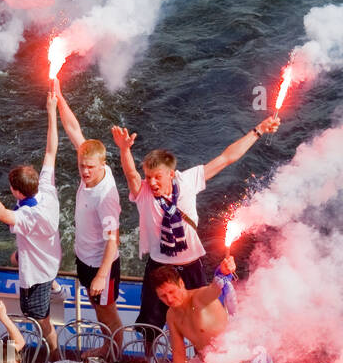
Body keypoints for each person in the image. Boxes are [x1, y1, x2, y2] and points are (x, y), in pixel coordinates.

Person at [113, 114, 281, 330]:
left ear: (171, 174)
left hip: (190, 265)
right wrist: (124, 149)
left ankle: (199, 357)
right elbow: (130, 174)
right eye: (148, 177)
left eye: (157, 177)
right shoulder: (143, 193)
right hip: (159, 265)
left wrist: (258, 130)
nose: (152, 182)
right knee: (150, 321)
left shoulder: (187, 181)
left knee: (201, 318)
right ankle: (149, 359)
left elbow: (226, 157)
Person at [0, 91, 62, 358]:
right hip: (47, 257)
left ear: (17, 192)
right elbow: (51, 150)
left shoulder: (28, 216)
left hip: (37, 274)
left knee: (39, 318)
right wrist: (51, 109)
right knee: (38, 311)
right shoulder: (47, 190)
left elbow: (1, 214)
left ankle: (55, 357)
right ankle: (55, 285)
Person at [54, 80, 122, 338]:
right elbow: (73, 128)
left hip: (100, 264)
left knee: (107, 312)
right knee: (96, 307)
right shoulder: (90, 163)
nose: (84, 171)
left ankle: (114, 355)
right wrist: (59, 95)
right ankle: (107, 347)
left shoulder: (105, 197)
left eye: (90, 167)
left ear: (102, 164)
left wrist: (101, 276)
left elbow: (113, 242)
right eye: (82, 165)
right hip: (84, 259)